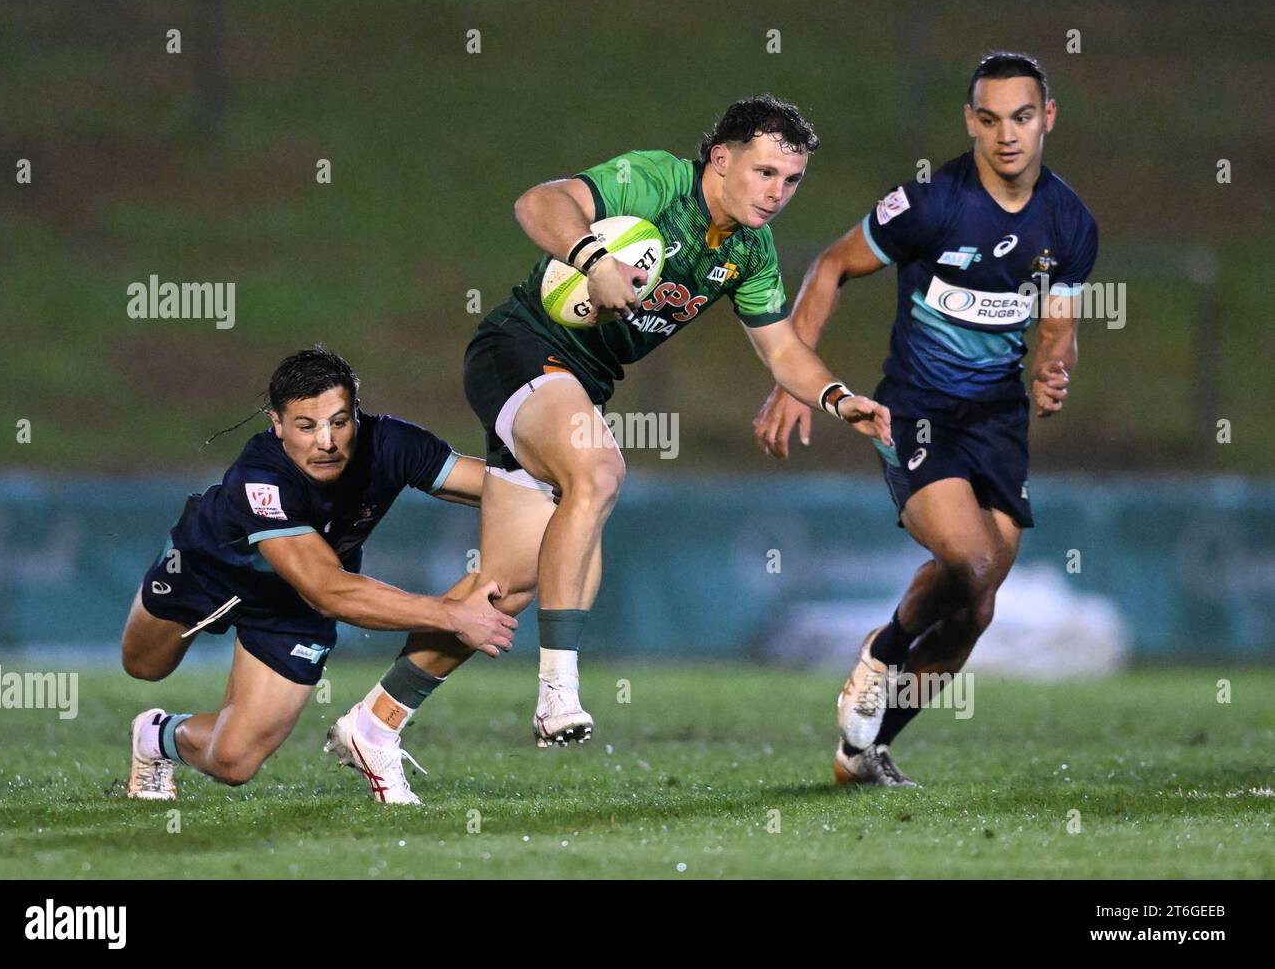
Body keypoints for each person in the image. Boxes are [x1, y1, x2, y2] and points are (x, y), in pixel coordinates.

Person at [344, 94, 892, 787]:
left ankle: (374, 720)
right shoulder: (658, 179)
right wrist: (591, 255)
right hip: (520, 351)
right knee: (599, 469)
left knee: (509, 585)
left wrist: (841, 399)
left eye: (791, 180)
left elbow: (783, 352)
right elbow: (536, 203)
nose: (777, 193)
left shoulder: (751, 250)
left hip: (580, 383)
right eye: (764, 173)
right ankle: (556, 693)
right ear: (720, 160)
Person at [752, 53, 1098, 786]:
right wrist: (794, 373)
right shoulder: (931, 203)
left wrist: (1054, 360)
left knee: (976, 609)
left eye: (1024, 117)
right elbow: (832, 266)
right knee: (970, 562)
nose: (1008, 135)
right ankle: (880, 656)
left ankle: (864, 749)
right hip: (916, 412)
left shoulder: (1069, 222)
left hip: (998, 423)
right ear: (973, 122)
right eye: (992, 118)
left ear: (1049, 119)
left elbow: (1060, 321)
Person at [122, 346, 516, 803]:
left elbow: (500, 489)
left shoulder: (391, 444)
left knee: (235, 762)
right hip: (210, 571)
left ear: (357, 414)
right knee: (144, 665)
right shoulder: (260, 477)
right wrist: (451, 615)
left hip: (291, 604)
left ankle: (156, 736)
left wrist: (565, 483)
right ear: (277, 424)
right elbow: (329, 590)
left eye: (340, 421)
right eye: (306, 426)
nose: (326, 441)